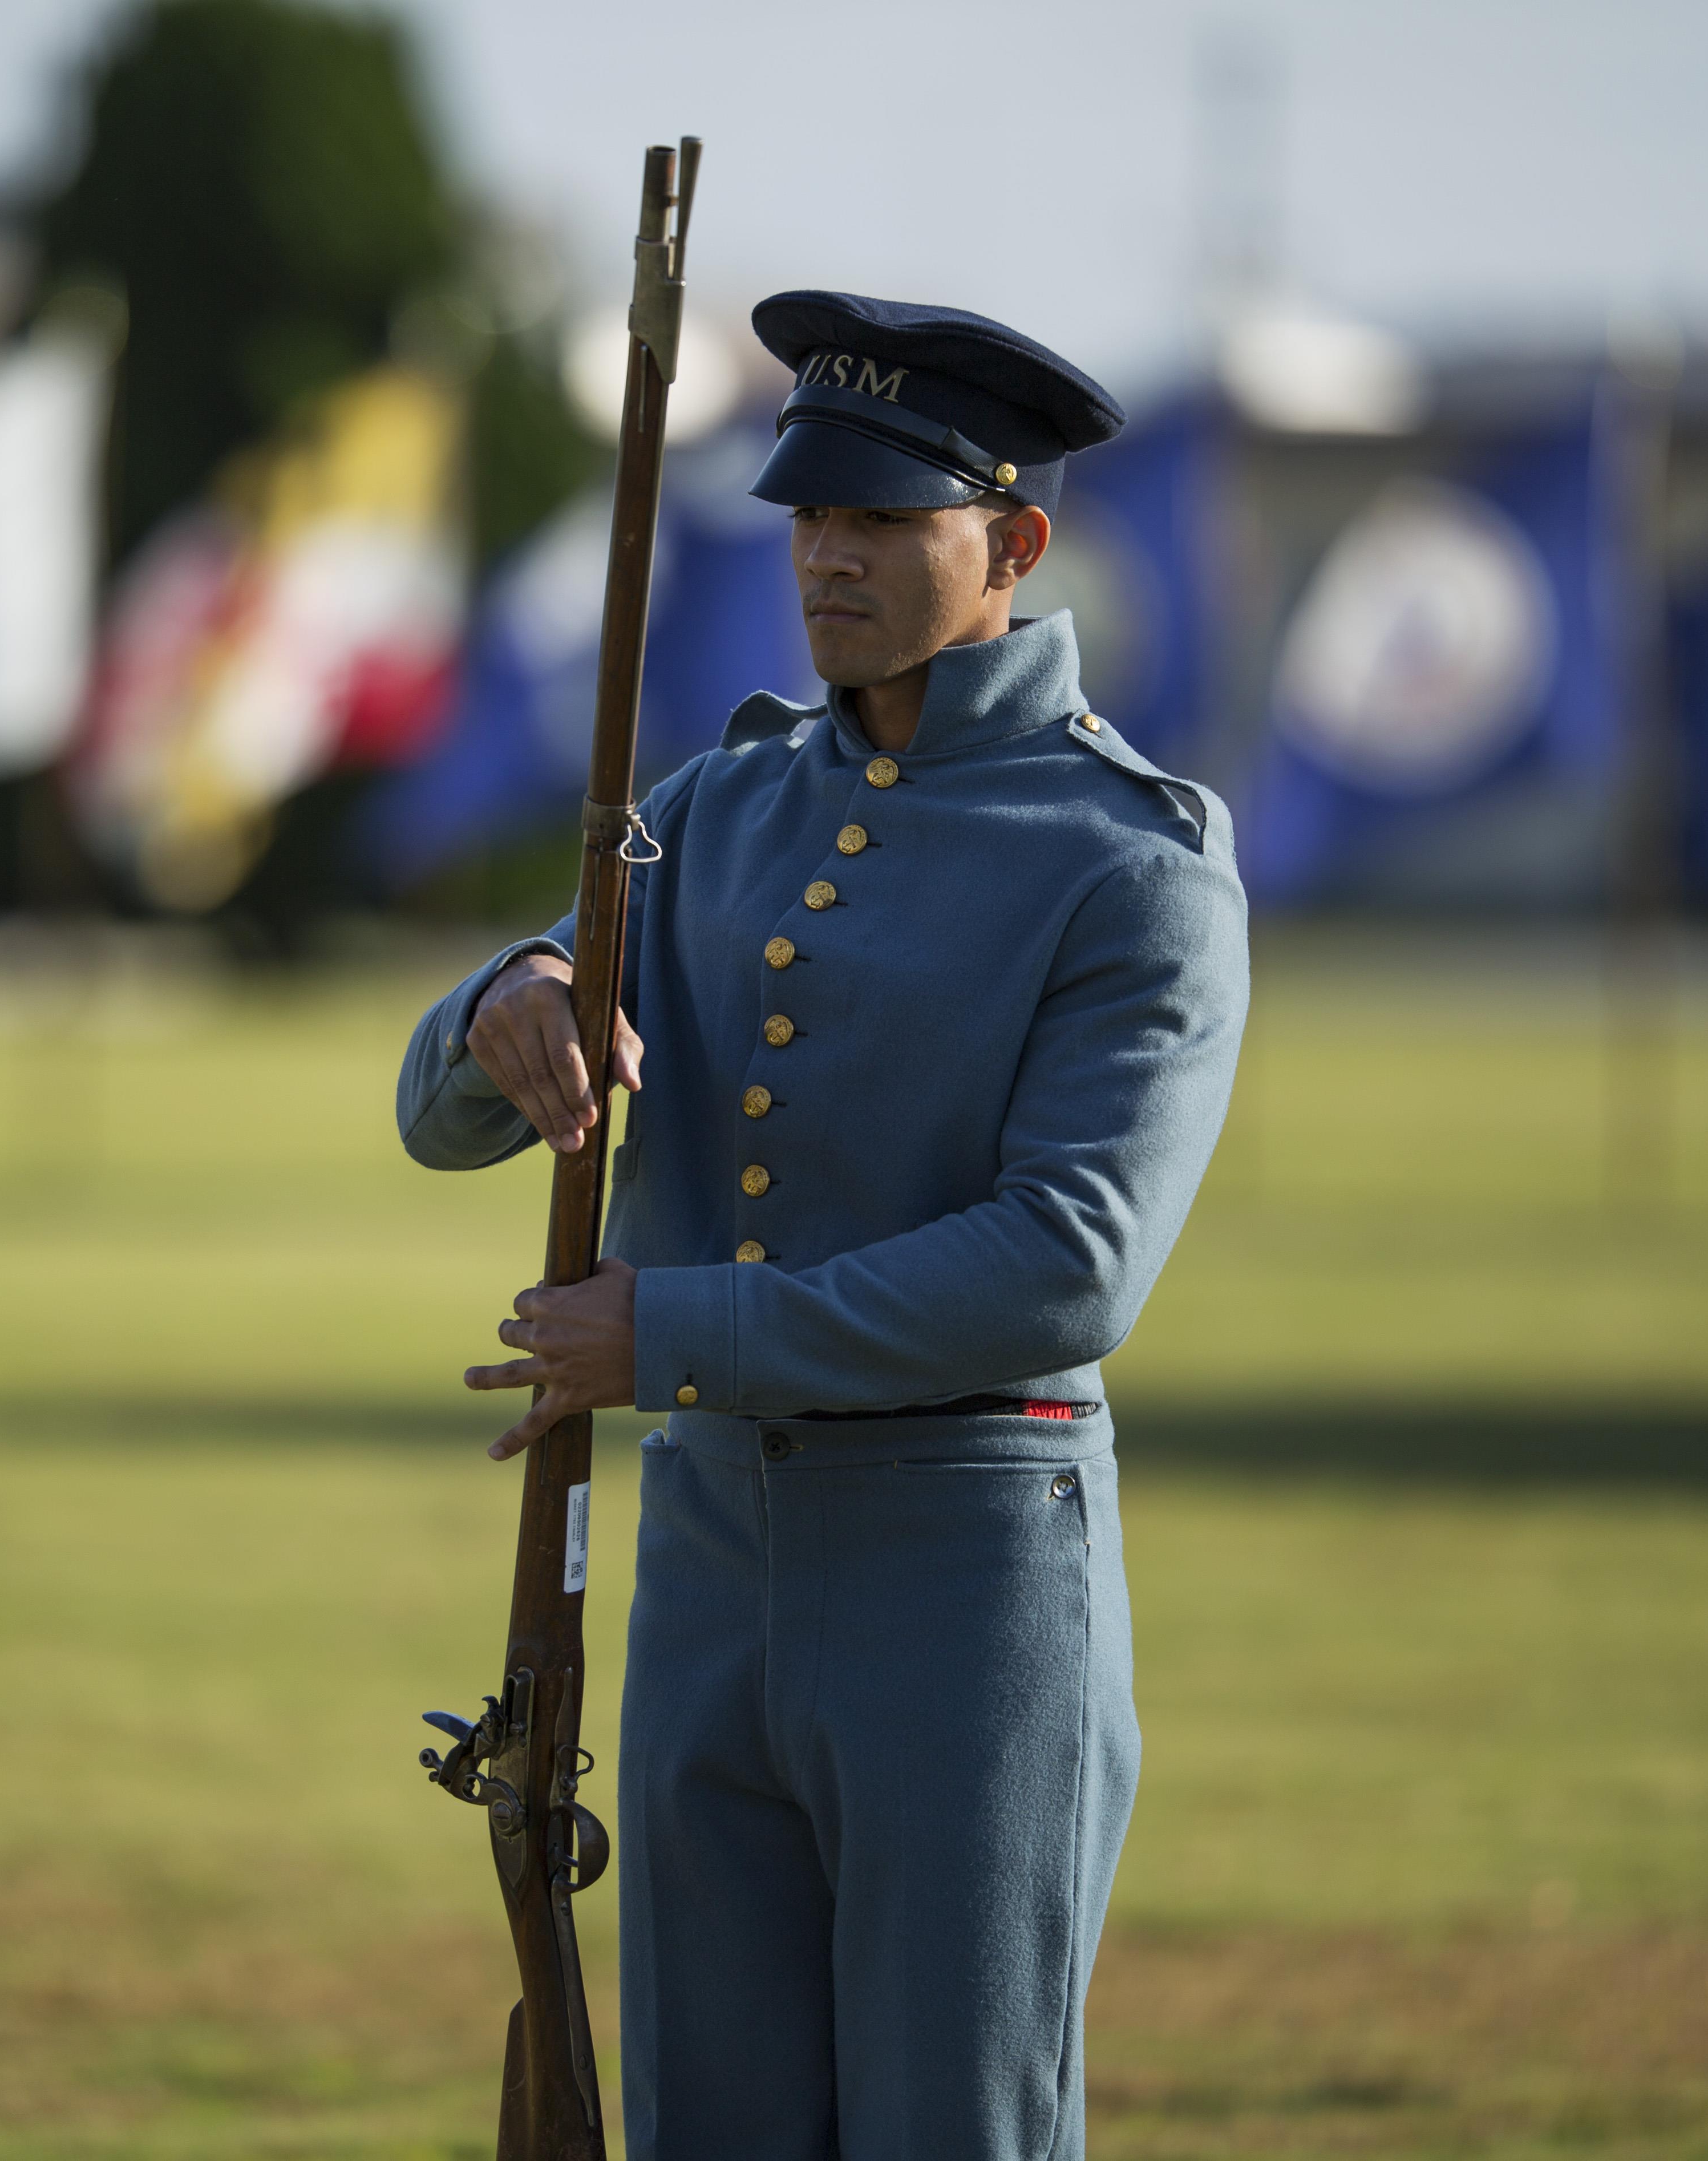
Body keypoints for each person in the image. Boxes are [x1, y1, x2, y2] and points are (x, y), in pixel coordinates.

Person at [392, 292, 1250, 2160]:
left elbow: (1068, 1259)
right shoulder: (715, 806)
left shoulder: (1129, 858)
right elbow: (436, 1116)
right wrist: (508, 997)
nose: (827, 558)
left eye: (882, 519)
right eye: (807, 517)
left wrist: (672, 1332)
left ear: (1012, 546)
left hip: (963, 1595)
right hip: (711, 1578)